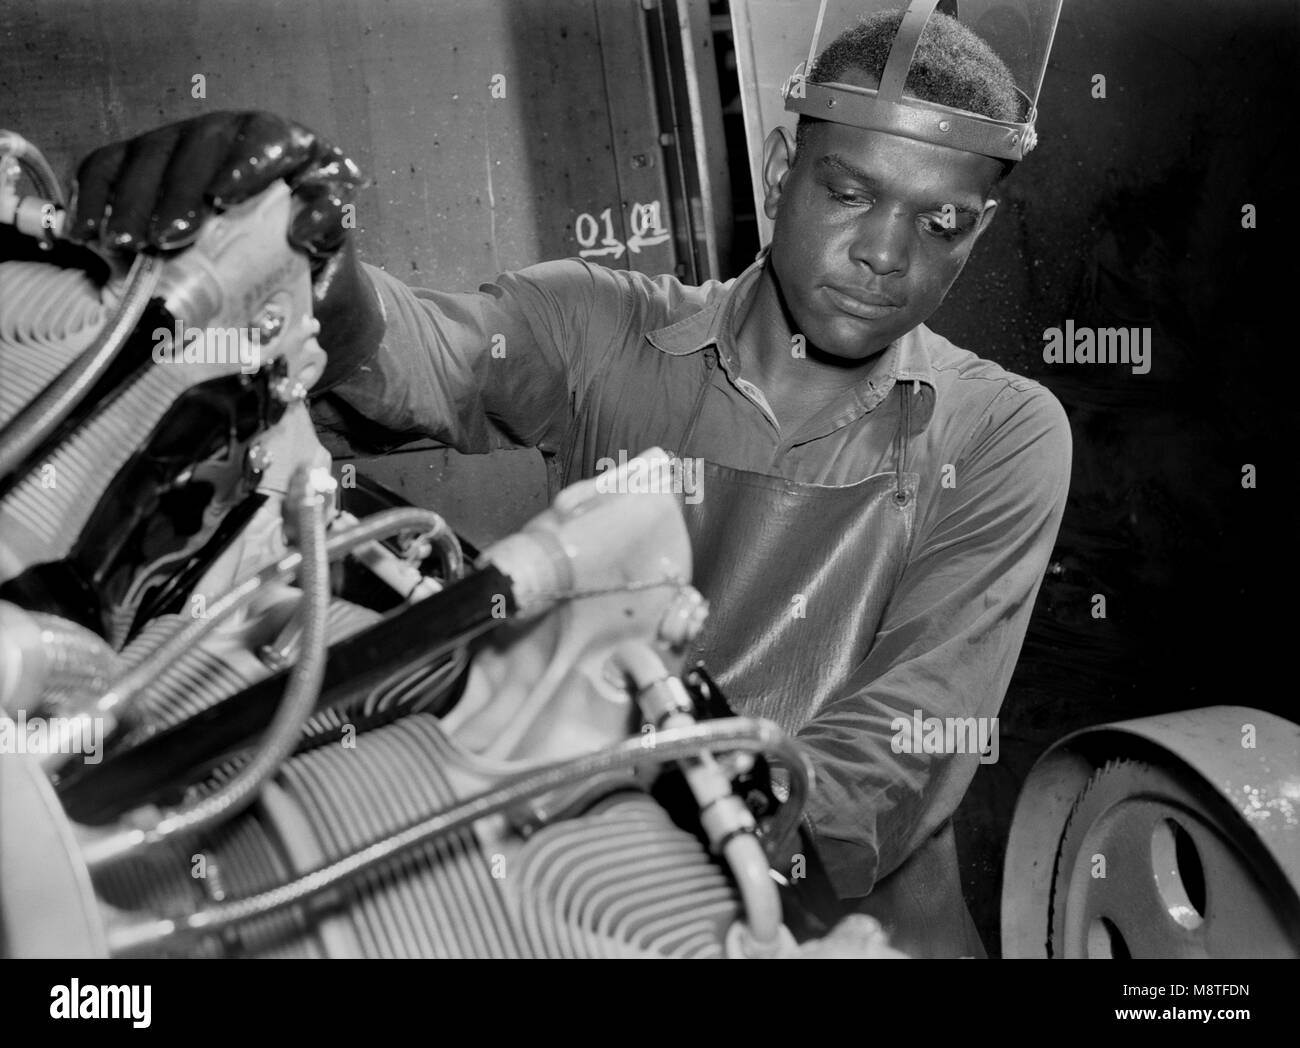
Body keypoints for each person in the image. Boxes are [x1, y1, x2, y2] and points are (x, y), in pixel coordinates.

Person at [66, 9, 1070, 957]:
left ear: (974, 233)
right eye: (847, 193)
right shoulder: (604, 330)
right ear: (779, 171)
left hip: (849, 926)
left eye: (939, 223)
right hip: (594, 892)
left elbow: (894, 750)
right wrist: (309, 272)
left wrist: (696, 844)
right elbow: (439, 353)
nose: (885, 255)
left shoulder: (1000, 431)